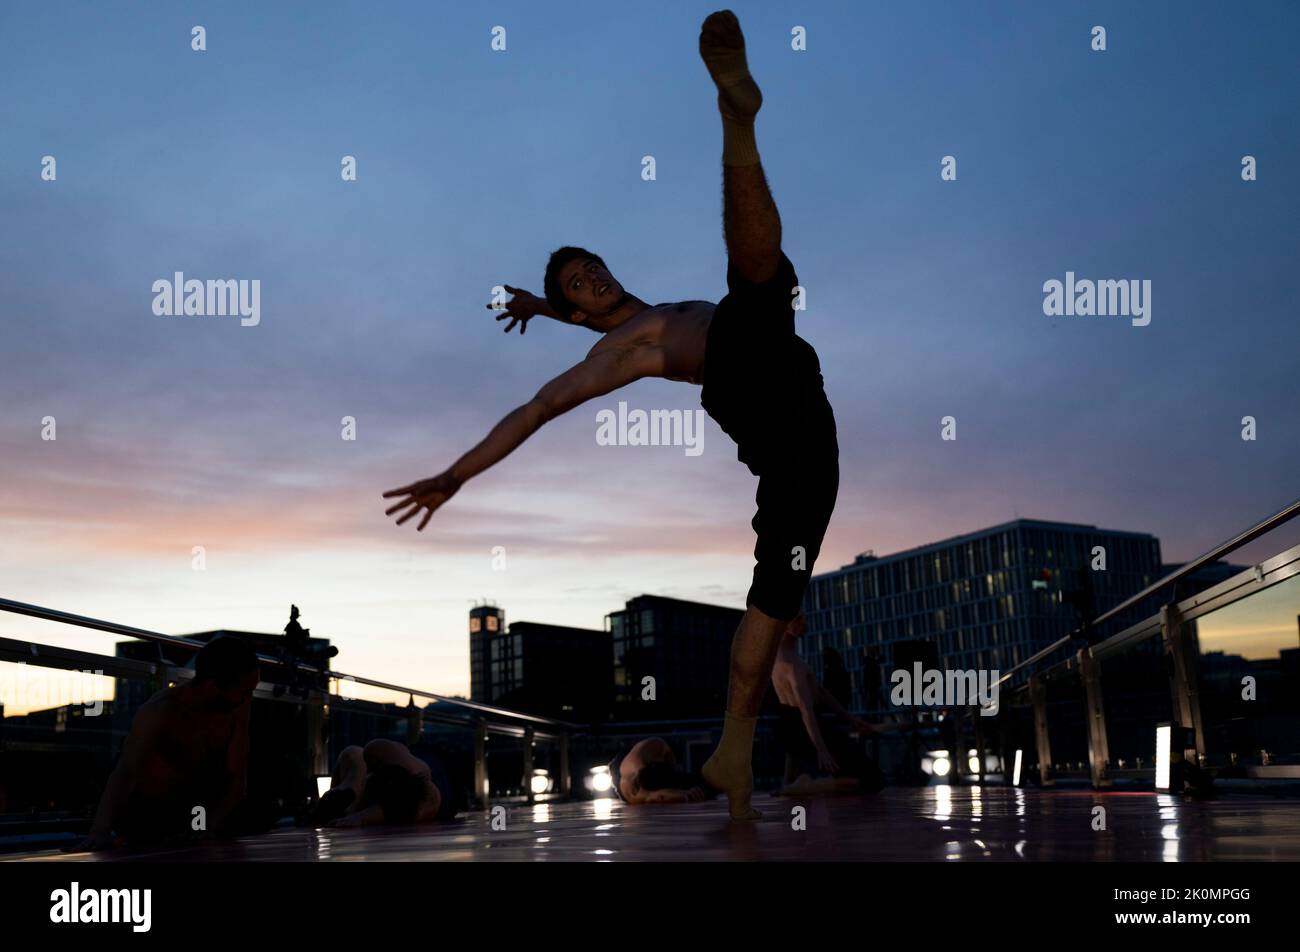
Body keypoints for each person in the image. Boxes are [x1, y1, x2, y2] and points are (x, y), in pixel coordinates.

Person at [384, 11, 838, 822]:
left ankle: (734, 750)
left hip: (794, 402)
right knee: (759, 280)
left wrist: (543, 304)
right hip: (759, 392)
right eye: (576, 281)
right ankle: (737, 121)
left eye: (591, 265)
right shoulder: (616, 352)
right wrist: (454, 475)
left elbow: (612, 311)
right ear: (577, 311)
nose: (591, 275)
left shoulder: (638, 313)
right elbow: (535, 410)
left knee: (773, 591)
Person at [71, 636, 261, 851]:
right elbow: (125, 773)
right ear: (212, 686)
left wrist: (208, 826)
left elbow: (237, 776)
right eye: (245, 691)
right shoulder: (160, 711)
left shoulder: (237, 705)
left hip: (200, 808)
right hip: (154, 812)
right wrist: (99, 831)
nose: (249, 698)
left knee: (260, 809)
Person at [771, 614, 887, 796]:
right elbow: (805, 710)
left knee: (870, 777)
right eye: (798, 620)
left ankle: (798, 783)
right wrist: (822, 750)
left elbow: (821, 692)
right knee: (872, 780)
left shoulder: (785, 658)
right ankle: (804, 786)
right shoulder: (791, 666)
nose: (805, 623)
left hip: (796, 726)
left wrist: (851, 719)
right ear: (784, 626)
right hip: (803, 727)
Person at [312, 739, 458, 827]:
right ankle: (354, 795)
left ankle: (353, 794)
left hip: (417, 778)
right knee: (357, 753)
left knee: (354, 754)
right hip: (423, 777)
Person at [607, 738, 716, 805]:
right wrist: (684, 795)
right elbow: (657, 796)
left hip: (640, 764)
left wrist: (684, 794)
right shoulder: (636, 792)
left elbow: (658, 796)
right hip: (628, 768)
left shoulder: (653, 749)